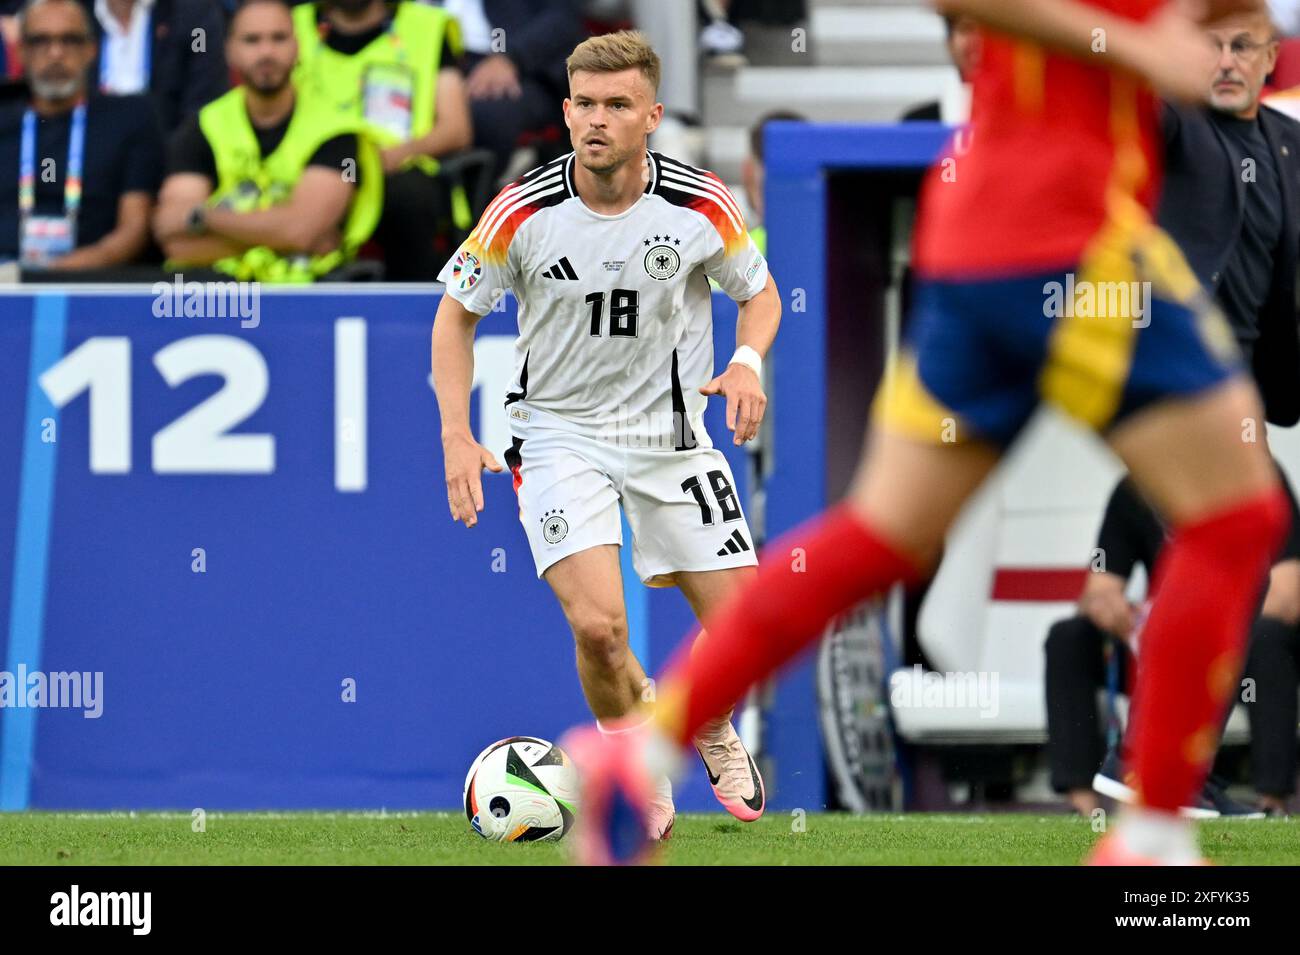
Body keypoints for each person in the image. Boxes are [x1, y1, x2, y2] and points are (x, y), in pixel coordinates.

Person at [562, 0, 1289, 867]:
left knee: (882, 537)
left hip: (980, 239)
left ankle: (643, 746)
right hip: (1070, 239)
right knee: (1237, 516)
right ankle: (1156, 828)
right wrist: (1134, 45)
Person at [431, 30, 782, 841]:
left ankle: (707, 719)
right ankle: (635, 761)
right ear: (564, 110)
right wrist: (455, 430)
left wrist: (749, 362)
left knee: (746, 633)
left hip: (672, 436)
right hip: (557, 436)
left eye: (617, 105)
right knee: (599, 627)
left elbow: (759, 295)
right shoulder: (521, 211)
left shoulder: (702, 204)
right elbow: (454, 317)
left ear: (652, 115)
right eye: (584, 103)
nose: (597, 120)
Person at [153, 0, 383, 283]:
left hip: (315, 294)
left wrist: (203, 218)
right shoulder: (203, 126)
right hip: (220, 297)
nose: (266, 52)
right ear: (229, 51)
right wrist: (283, 232)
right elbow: (175, 241)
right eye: (252, 40)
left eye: (279, 38)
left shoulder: (336, 127)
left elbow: (301, 231)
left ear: (298, 46)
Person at [291, 0, 471, 280]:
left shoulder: (426, 27)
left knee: (410, 197)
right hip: (305, 172)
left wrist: (390, 157)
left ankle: (410, 314)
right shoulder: (289, 27)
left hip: (397, 167)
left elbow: (456, 129)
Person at [0, 0, 162, 269]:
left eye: (70, 40)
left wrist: (66, 272)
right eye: (41, 41)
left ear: (91, 50)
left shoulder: (132, 116)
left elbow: (135, 227)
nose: (55, 54)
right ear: (21, 52)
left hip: (94, 282)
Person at [440, 0, 586, 181]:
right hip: (432, 59)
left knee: (487, 115)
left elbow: (562, 20)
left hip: (522, 67)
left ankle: (480, 199)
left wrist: (511, 58)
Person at [80, 0, 229, 134]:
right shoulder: (71, 13)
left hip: (170, 154)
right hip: (87, 153)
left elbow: (203, 101)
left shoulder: (196, 17)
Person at [900, 13, 981, 122]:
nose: (977, 40)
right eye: (966, 29)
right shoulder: (918, 123)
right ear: (950, 43)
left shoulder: (1011, 121)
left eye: (989, 32)